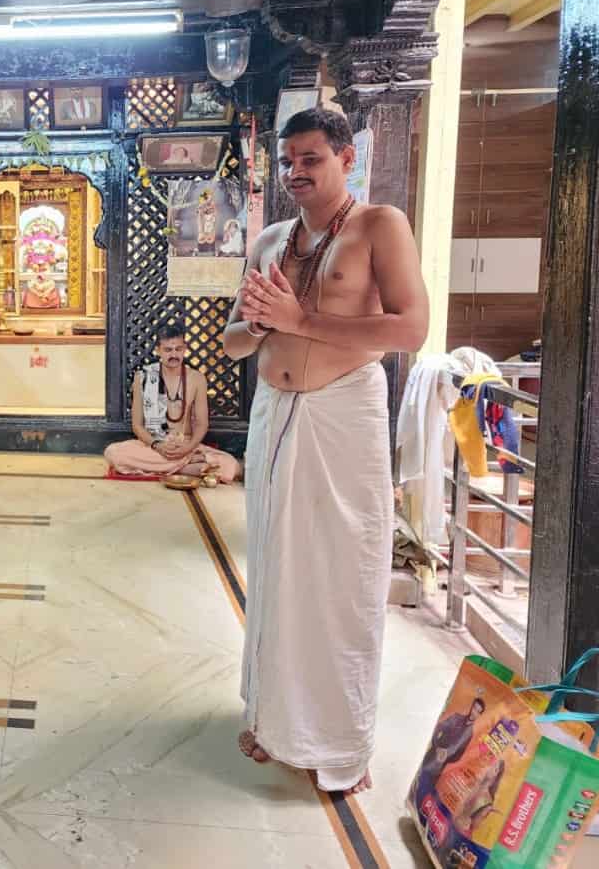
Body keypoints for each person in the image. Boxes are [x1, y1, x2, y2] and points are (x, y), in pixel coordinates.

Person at [222, 106, 428, 794]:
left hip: (343, 414)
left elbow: (412, 328)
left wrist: (301, 318)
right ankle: (275, 719)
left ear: (347, 158)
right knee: (277, 570)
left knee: (340, 579)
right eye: (288, 162)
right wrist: (256, 323)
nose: (296, 173)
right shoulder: (272, 240)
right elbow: (233, 340)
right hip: (274, 412)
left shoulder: (379, 227)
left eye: (311, 158)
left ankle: (340, 743)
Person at [104, 324, 242, 481]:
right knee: (113, 453)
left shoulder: (196, 379)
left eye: (178, 349)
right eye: (168, 350)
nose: (174, 355)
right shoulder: (143, 377)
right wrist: (158, 445)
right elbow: (137, 425)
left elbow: (202, 424)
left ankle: (177, 466)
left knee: (232, 466)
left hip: (186, 445)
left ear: (185, 349)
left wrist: (187, 448)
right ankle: (188, 468)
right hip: (153, 445)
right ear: (158, 350)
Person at [416, 697, 487, 804]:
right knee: (415, 779)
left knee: (422, 794)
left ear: (480, 715)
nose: (474, 712)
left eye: (478, 711)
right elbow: (438, 727)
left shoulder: (470, 734)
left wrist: (446, 759)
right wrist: (437, 746)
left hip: (439, 769)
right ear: (471, 706)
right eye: (474, 708)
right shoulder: (456, 717)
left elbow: (459, 755)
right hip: (430, 756)